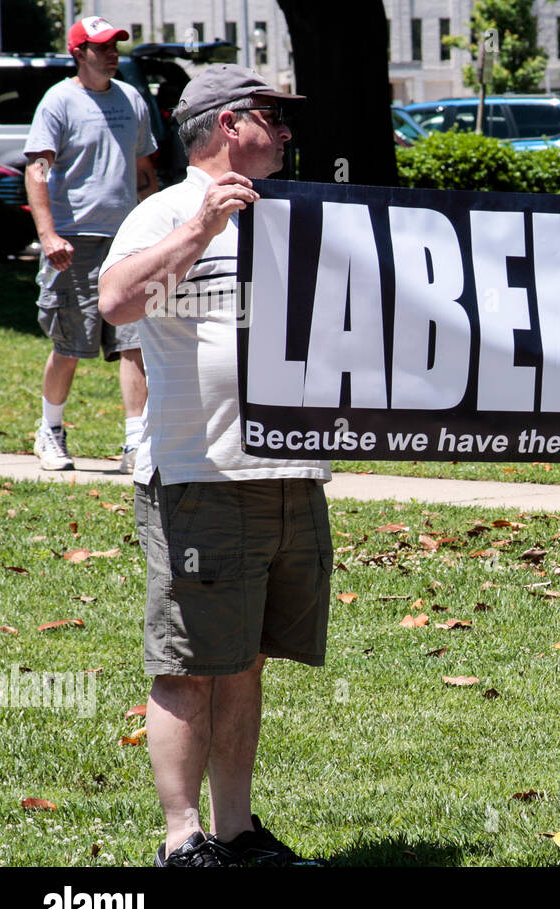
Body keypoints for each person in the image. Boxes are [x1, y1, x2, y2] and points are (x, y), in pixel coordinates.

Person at [98, 64, 331, 867]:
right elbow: (118, 303)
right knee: (190, 664)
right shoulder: (161, 211)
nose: (289, 132)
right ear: (231, 124)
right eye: (275, 117)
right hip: (199, 475)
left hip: (288, 473)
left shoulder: (298, 216)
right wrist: (199, 229)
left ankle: (237, 830)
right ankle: (181, 839)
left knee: (243, 658)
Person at [25, 16, 157, 473]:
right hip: (74, 241)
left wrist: (155, 230)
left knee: (134, 341)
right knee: (70, 342)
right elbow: (37, 170)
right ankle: (50, 430)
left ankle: (135, 444)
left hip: (128, 240)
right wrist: (48, 235)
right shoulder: (59, 101)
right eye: (101, 47)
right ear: (78, 53)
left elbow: (143, 171)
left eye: (115, 45)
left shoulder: (132, 99)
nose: (112, 53)